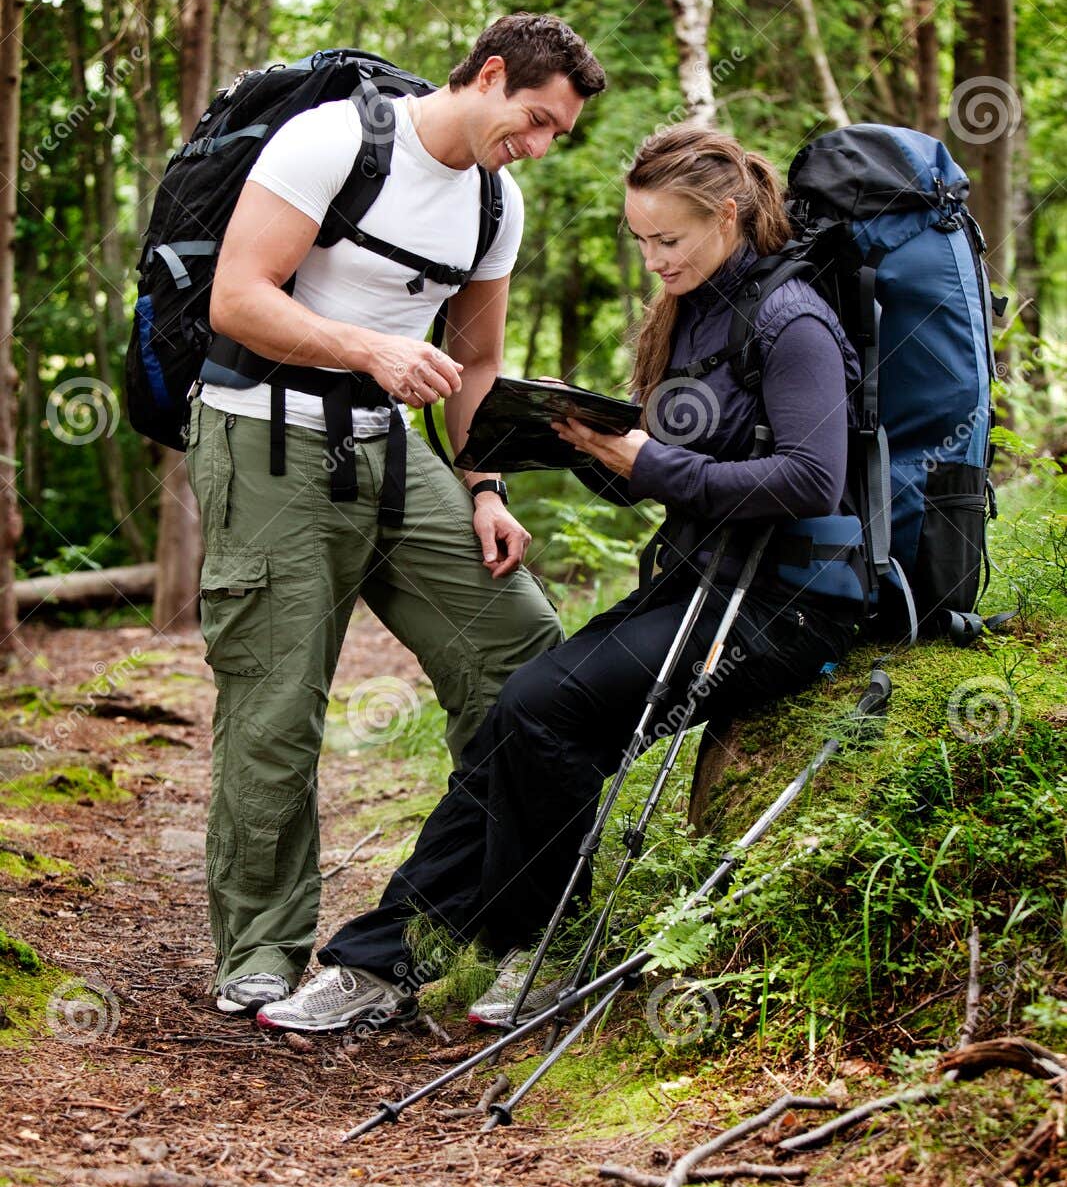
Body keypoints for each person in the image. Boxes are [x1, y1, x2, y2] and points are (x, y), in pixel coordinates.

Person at [256, 123, 862, 1036]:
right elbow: (681, 462)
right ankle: (379, 961)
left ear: (729, 216)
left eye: (670, 239)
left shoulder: (793, 318)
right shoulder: (693, 310)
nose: (653, 259)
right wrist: (575, 445)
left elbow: (811, 479)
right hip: (700, 577)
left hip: (789, 601)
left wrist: (645, 460)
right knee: (520, 718)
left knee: (542, 706)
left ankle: (542, 943)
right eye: (641, 240)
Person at [187, 13, 607, 1017]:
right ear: (491, 75)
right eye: (535, 120)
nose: (540, 146)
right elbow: (236, 299)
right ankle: (259, 946)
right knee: (276, 704)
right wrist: (367, 348)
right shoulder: (334, 140)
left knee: (522, 656)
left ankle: (505, 914)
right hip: (266, 437)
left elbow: (477, 365)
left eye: (559, 135)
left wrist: (485, 487)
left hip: (390, 451)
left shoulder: (494, 205)